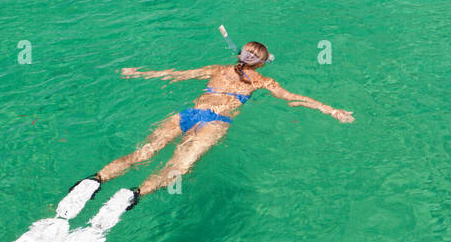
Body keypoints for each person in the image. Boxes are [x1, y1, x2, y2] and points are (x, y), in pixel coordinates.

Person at [57, 41, 354, 225]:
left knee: (141, 154)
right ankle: (133, 194)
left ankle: (95, 180)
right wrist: (331, 110)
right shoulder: (262, 81)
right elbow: (293, 98)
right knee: (175, 168)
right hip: (214, 123)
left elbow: (175, 75)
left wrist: (138, 73)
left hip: (187, 115)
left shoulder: (217, 69)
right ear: (260, 63)